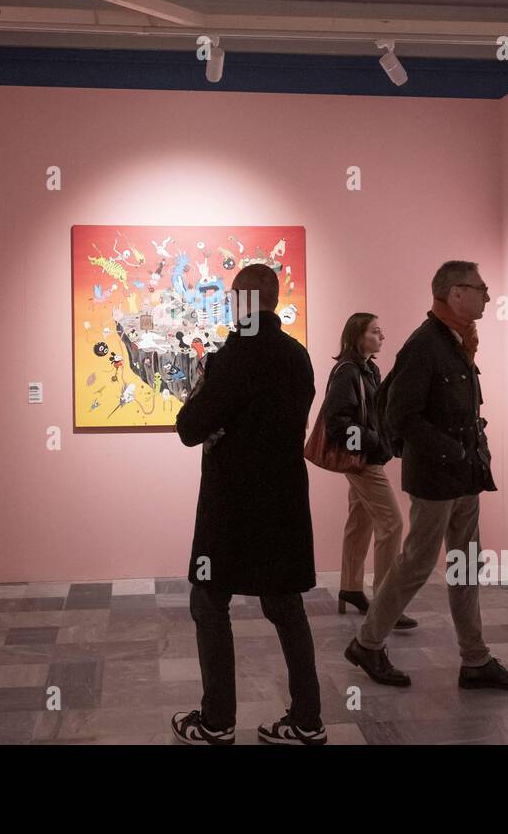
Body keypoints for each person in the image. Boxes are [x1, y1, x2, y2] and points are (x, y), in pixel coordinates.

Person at [345, 260, 508, 692]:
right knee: (416, 563)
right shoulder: (425, 344)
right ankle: (368, 642)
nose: (488, 295)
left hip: (465, 475)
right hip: (435, 477)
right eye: (480, 288)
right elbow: (400, 417)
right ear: (454, 293)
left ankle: (475, 659)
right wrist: (450, 450)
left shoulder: (457, 341)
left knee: (466, 565)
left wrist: (468, 455)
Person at [171, 263, 326, 745]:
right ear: (274, 301)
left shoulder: (232, 357)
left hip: (231, 506)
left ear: (239, 302)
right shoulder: (298, 356)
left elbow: (189, 426)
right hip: (283, 501)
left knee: (209, 600)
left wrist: (218, 424)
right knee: (285, 606)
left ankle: (217, 720)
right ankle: (307, 720)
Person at [323, 312, 414, 629]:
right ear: (358, 336)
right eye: (375, 332)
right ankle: (386, 604)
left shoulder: (369, 369)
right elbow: (337, 424)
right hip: (362, 460)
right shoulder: (347, 373)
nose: (382, 337)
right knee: (392, 522)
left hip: (368, 456)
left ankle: (350, 588)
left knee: (359, 522)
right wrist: (374, 442)